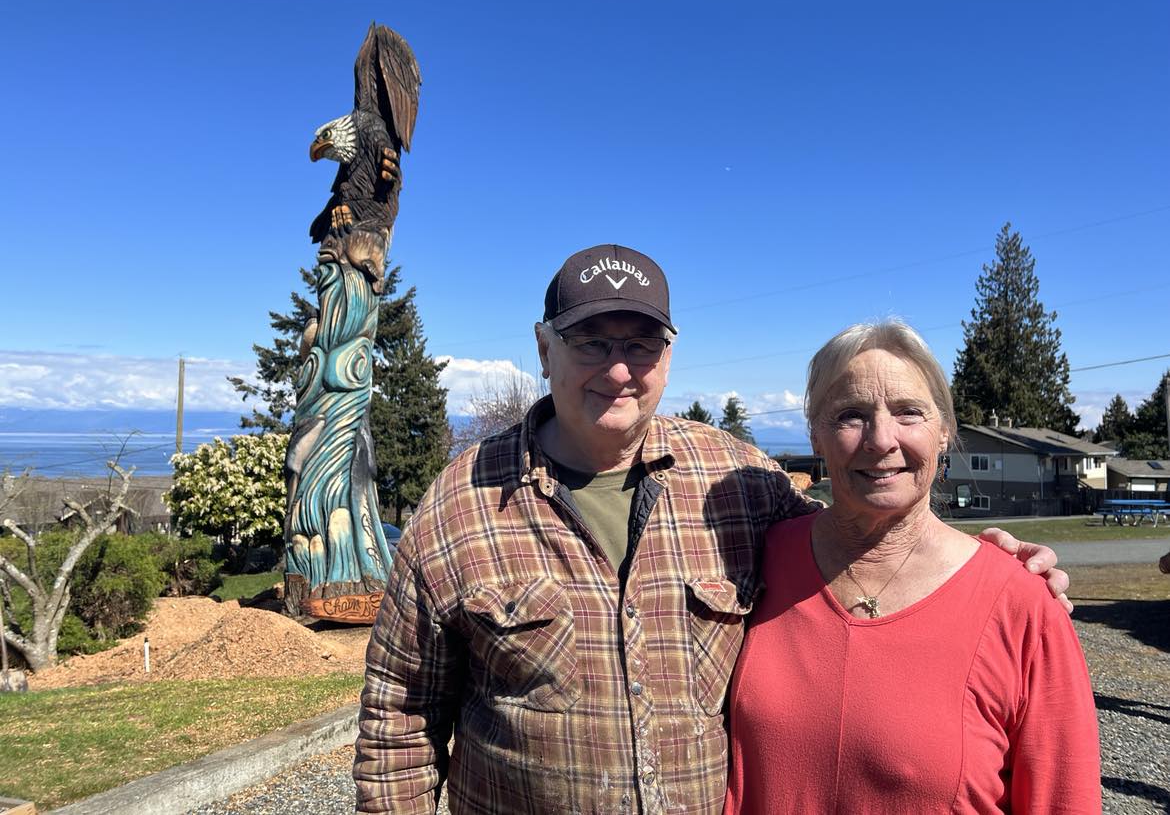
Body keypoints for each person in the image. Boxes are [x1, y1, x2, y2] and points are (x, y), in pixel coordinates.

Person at [354, 245, 1068, 815]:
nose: (620, 370)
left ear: (669, 355)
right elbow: (398, 724)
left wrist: (986, 565)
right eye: (591, 343)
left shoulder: (739, 483)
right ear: (544, 350)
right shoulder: (458, 506)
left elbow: (863, 533)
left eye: (642, 346)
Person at [723, 321, 1100, 814]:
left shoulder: (1021, 603)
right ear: (816, 435)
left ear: (944, 431)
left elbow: (1062, 800)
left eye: (908, 413)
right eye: (851, 416)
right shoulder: (752, 561)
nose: (881, 440)